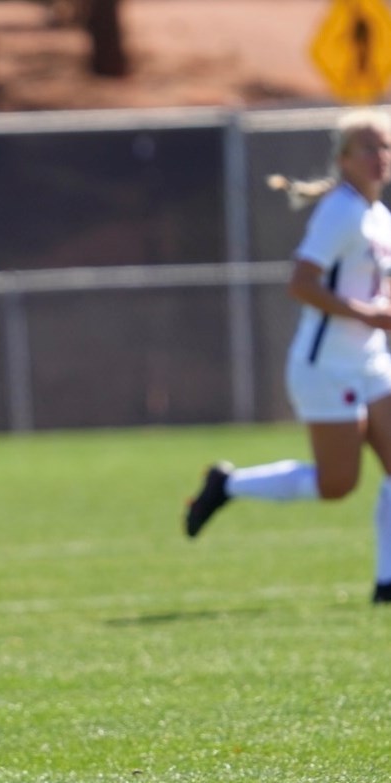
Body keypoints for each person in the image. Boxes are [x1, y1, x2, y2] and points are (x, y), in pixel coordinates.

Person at [184, 108, 391, 604]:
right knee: (337, 484)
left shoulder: (379, 216)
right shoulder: (340, 211)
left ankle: (388, 582)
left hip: (372, 361)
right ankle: (228, 485)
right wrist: (366, 314)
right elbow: (301, 283)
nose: (379, 157)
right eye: (367, 148)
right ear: (343, 159)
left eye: (384, 146)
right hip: (326, 366)